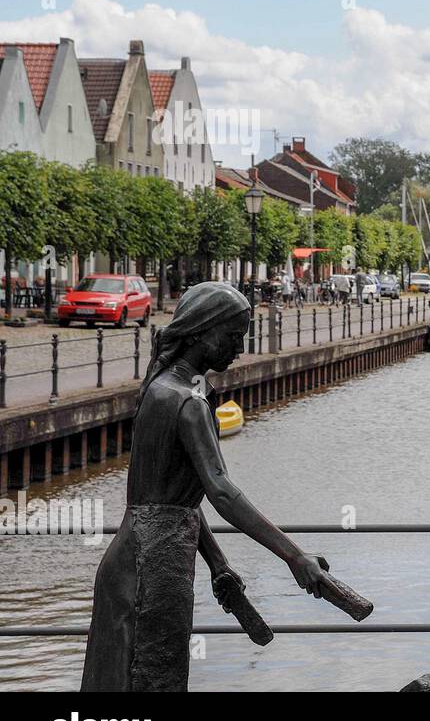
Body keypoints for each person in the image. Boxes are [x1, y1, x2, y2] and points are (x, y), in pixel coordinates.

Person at [81, 282, 336, 692]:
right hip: (156, 566)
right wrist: (295, 556)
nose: (239, 346)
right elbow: (219, 491)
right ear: (201, 331)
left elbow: (175, 497)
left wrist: (217, 563)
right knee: (152, 677)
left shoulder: (159, 387)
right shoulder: (188, 402)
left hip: (138, 557)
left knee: (120, 678)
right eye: (233, 336)